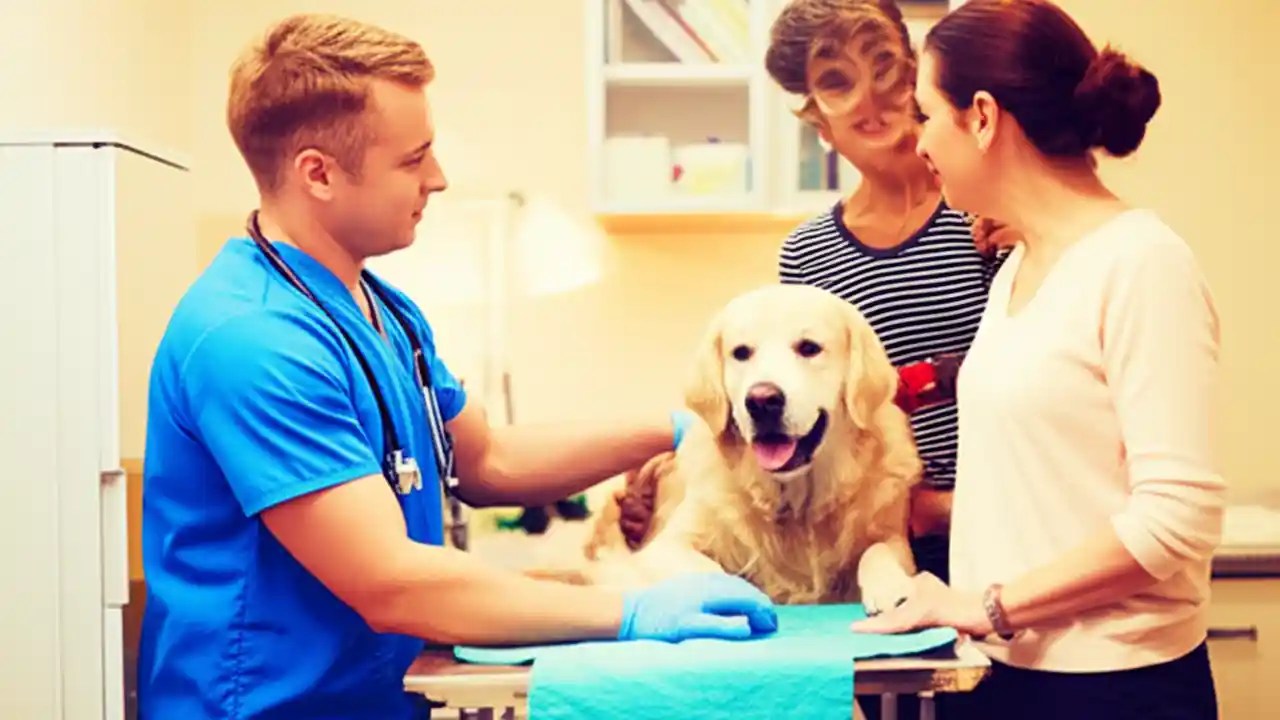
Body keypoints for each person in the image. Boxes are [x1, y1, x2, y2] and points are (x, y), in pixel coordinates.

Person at [135, 13, 776, 720]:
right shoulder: (251, 339)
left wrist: (677, 428)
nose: (437, 179)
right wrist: (628, 611)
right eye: (412, 160)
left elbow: (489, 458)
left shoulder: (383, 308)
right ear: (317, 173)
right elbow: (392, 583)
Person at [852, 2, 1223, 719]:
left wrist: (986, 605)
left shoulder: (1143, 265)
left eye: (927, 114)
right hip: (999, 673)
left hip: (1110, 688)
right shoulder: (1020, 266)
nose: (917, 141)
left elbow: (1177, 519)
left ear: (982, 117)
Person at [764, 0, 1010, 587]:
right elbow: (809, 414)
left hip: (1006, 529)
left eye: (884, 69)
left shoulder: (987, 208)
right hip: (878, 550)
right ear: (817, 121)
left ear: (917, 74)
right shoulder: (805, 254)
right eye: (837, 83)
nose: (870, 99)